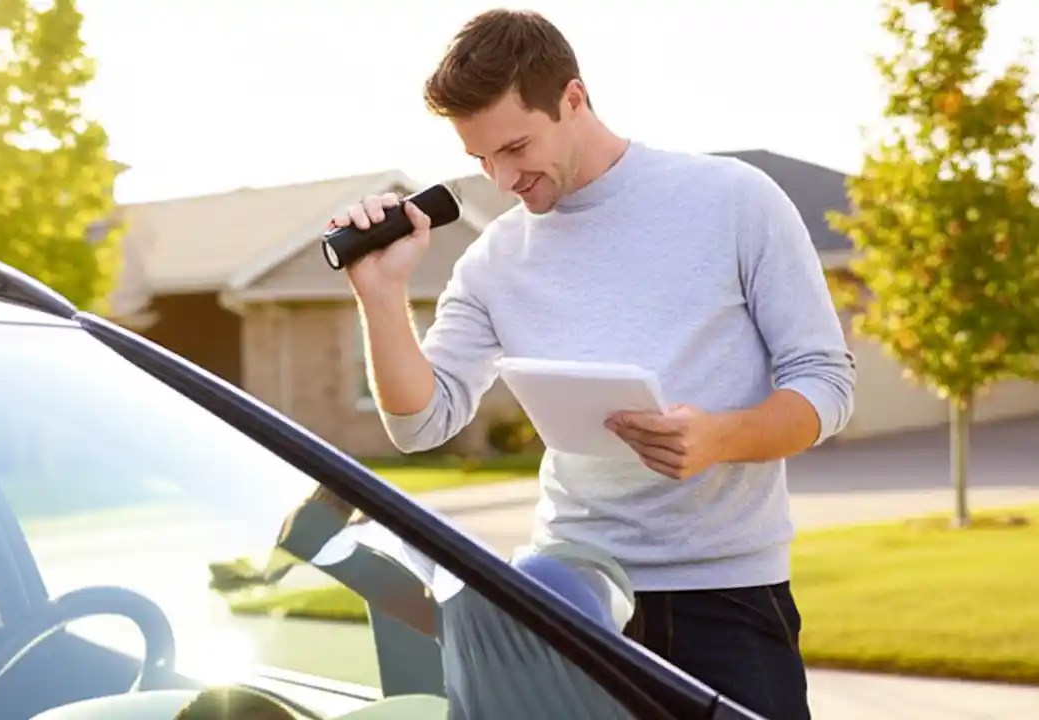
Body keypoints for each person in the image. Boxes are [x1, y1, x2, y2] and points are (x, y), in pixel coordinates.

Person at [330, 9, 856, 720]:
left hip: (726, 601)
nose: (503, 177)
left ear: (574, 99)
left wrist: (717, 440)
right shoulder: (494, 261)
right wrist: (383, 295)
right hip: (565, 600)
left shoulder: (733, 201)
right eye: (481, 158)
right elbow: (420, 423)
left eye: (516, 147)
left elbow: (824, 383)